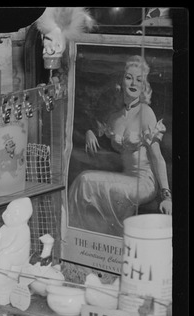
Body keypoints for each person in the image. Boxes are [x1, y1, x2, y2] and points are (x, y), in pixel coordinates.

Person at [68, 54, 172, 238]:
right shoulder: (114, 117)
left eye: (139, 80)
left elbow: (157, 157)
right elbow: (98, 132)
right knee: (85, 180)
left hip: (144, 182)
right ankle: (86, 239)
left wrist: (166, 196)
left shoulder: (146, 113)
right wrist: (89, 131)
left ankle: (84, 236)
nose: (133, 83)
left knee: (85, 180)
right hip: (124, 179)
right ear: (121, 81)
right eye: (129, 77)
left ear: (144, 86)